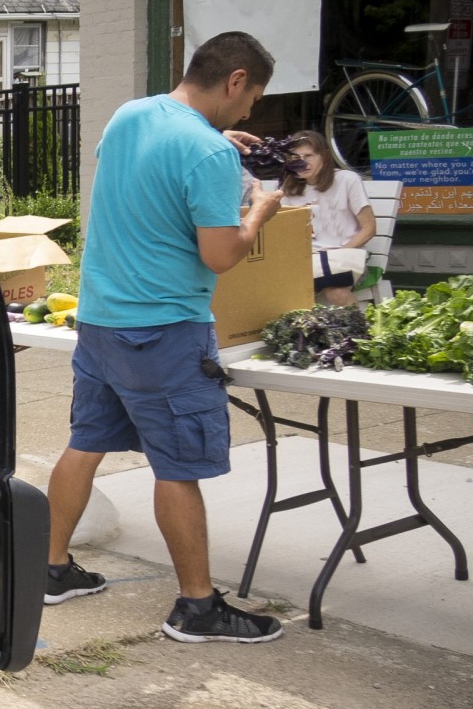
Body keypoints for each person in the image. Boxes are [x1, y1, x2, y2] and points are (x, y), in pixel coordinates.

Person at [43, 31, 286, 644]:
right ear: (235, 81)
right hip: (164, 329)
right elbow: (222, 252)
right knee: (176, 466)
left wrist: (215, 144)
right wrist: (260, 210)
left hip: (101, 320)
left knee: (86, 442)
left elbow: (154, 160)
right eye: (252, 97)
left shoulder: (131, 115)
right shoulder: (208, 155)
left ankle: (51, 571)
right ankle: (198, 608)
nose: (251, 111)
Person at [280, 129, 375, 307]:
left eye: (309, 156)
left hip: (345, 256)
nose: (302, 162)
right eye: (295, 157)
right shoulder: (288, 189)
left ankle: (358, 333)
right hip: (307, 260)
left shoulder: (347, 180)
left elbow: (369, 228)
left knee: (336, 291)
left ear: (324, 156)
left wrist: (340, 252)